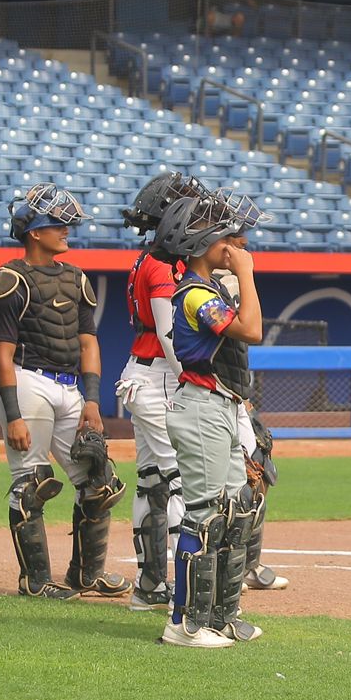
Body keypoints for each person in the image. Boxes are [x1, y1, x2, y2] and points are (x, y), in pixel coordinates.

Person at [0, 183, 130, 600]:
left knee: (99, 480)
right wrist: (13, 414)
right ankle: (35, 581)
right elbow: (2, 354)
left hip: (70, 388)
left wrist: (93, 399)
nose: (67, 230)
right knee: (30, 485)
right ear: (35, 232)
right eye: (58, 224)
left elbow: (88, 343)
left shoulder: (76, 277)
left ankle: (85, 575)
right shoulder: (11, 279)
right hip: (27, 383)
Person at [152, 191, 266, 648]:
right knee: (204, 517)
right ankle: (184, 624)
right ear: (202, 243)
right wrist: (246, 273)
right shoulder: (196, 293)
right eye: (225, 238)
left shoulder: (211, 288)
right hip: (201, 409)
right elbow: (252, 330)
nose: (235, 245)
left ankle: (222, 615)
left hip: (222, 406)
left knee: (237, 511)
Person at [116, 172, 205, 611]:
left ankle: (149, 585)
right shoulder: (163, 265)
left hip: (144, 375)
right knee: (178, 483)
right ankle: (183, 595)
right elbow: (170, 337)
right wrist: (192, 380)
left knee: (151, 480)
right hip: (159, 378)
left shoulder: (146, 259)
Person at [208, 192, 287, 593]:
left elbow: (242, 345)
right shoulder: (205, 282)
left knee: (258, 468)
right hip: (207, 394)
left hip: (235, 392)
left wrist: (244, 394)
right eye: (237, 234)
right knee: (211, 488)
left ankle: (247, 564)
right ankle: (207, 571)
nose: (244, 241)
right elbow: (245, 333)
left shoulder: (229, 277)